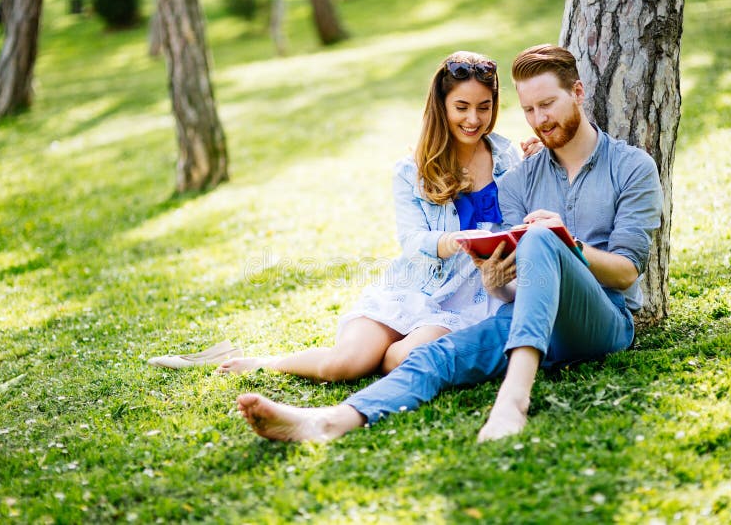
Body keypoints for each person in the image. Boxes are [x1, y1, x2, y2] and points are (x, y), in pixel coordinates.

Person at [233, 44, 663, 443]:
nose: (539, 119)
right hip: (529, 315)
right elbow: (511, 283)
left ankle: (513, 398)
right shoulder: (517, 181)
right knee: (434, 357)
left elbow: (626, 272)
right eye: (529, 109)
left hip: (603, 318)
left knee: (542, 237)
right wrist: (496, 281)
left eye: (547, 104)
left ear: (578, 93)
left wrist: (564, 242)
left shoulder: (631, 167)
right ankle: (328, 421)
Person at [215, 51, 533, 381]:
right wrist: (453, 241)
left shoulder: (510, 159)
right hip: (415, 288)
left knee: (402, 359)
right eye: (462, 107)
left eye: (484, 106)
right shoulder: (413, 170)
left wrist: (538, 161)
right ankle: (267, 361)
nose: (474, 119)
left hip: (466, 301)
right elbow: (411, 241)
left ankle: (379, 355)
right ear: (442, 106)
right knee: (344, 366)